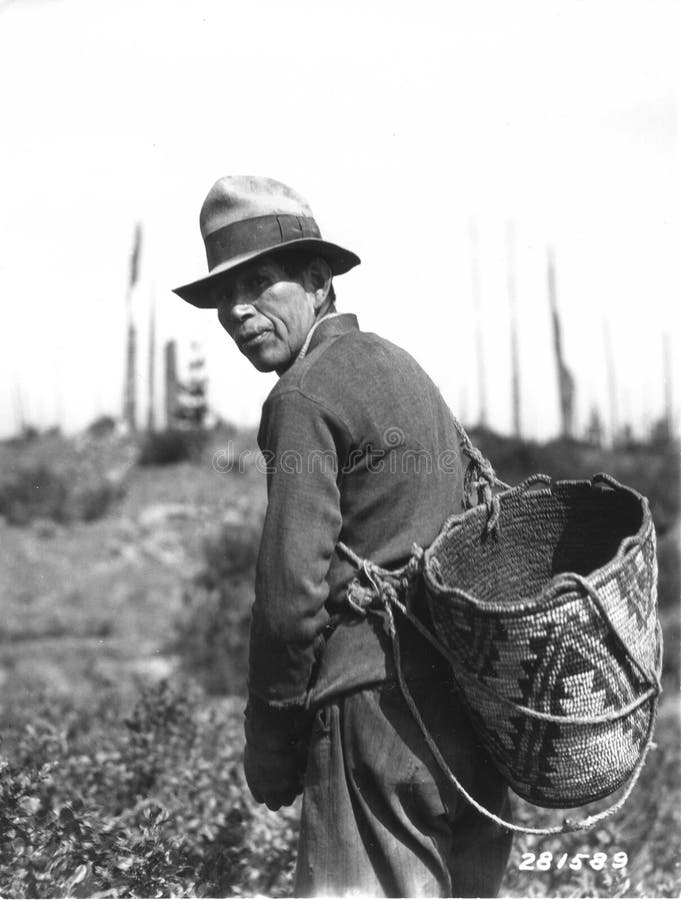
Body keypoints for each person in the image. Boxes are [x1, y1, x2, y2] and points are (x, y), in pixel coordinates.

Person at [173, 175, 513, 897]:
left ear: (318, 282)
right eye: (223, 296)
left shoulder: (303, 395)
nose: (236, 311)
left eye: (257, 284)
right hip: (472, 719)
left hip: (376, 716)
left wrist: (271, 744)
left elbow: (289, 597)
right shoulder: (400, 367)